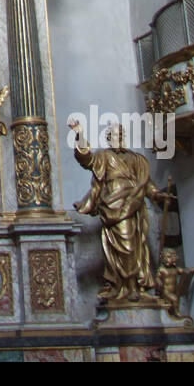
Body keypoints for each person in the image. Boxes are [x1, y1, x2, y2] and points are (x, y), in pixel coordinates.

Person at [69, 119, 169, 305]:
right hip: (113, 206)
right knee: (123, 248)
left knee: (136, 246)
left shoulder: (137, 159)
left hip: (134, 204)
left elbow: (146, 184)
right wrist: (80, 134)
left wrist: (157, 195)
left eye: (121, 134)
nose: (119, 137)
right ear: (109, 137)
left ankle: (134, 287)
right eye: (116, 134)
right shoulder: (104, 156)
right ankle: (123, 286)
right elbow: (86, 159)